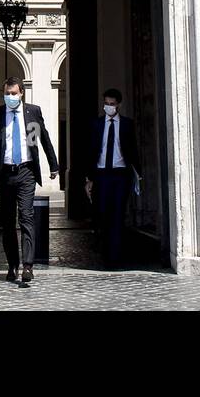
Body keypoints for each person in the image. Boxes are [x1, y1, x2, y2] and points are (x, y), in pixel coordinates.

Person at [0, 77, 58, 287]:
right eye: (7, 93)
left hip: (26, 171)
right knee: (7, 222)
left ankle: (28, 266)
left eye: (14, 93)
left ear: (21, 93)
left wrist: (54, 165)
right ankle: (12, 265)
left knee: (26, 217)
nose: (10, 97)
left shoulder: (33, 112)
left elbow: (44, 139)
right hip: (4, 174)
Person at [83, 88, 139, 269]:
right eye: (106, 104)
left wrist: (139, 174)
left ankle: (115, 256)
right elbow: (91, 151)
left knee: (118, 214)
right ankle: (105, 252)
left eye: (112, 104)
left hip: (120, 174)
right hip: (101, 175)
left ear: (119, 105)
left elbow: (133, 150)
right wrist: (89, 178)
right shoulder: (96, 125)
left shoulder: (127, 125)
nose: (108, 107)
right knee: (103, 213)